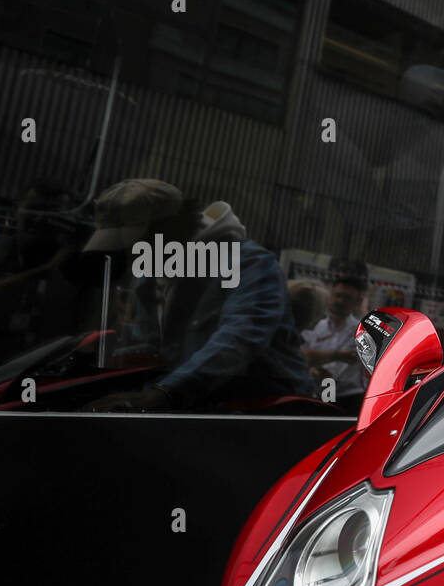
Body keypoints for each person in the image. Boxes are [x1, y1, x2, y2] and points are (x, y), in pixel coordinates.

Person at [83, 178, 314, 412]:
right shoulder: (150, 276)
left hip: (263, 410)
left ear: (172, 226)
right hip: (193, 404)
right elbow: (151, 345)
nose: (132, 253)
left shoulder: (248, 263)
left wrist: (165, 392)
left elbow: (239, 337)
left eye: (139, 241)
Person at [301, 257, 369, 415]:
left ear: (357, 302)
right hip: (319, 393)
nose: (340, 301)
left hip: (350, 397)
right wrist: (312, 370)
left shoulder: (361, 331)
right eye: (338, 295)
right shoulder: (314, 326)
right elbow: (303, 355)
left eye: (347, 298)